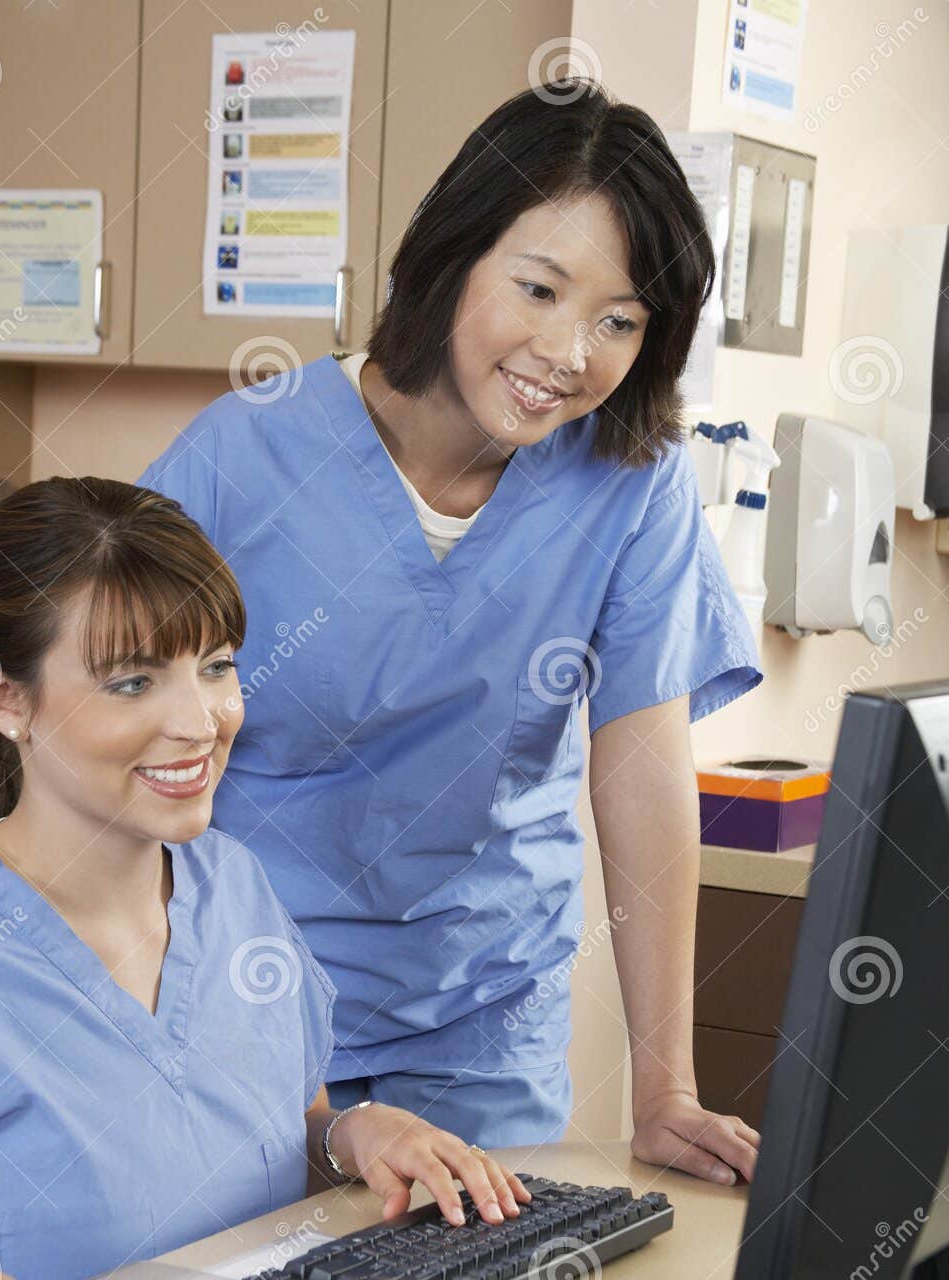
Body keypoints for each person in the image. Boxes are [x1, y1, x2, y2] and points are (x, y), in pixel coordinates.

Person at [138, 79, 764, 1184]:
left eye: (620, 320)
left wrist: (667, 1085)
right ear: (450, 255)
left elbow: (643, 767)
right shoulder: (240, 461)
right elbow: (106, 749)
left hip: (482, 1032)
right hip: (245, 1016)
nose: (569, 351)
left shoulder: (631, 483)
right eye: (538, 288)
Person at [0, 478, 528, 1280]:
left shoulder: (233, 889)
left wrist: (351, 1136)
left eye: (217, 666)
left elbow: (273, 1127)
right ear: (4, 698)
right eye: (132, 681)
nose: (201, 721)